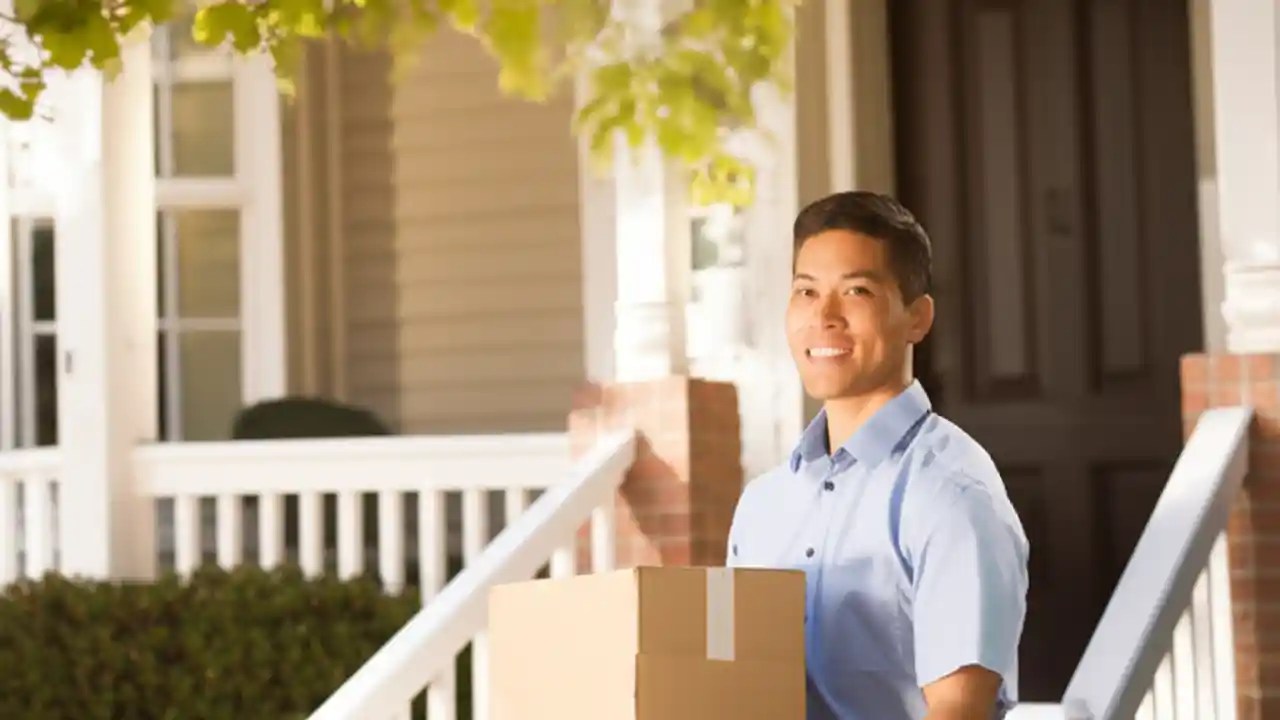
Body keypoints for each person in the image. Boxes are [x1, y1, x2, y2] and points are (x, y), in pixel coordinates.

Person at [727, 191, 1029, 719]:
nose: (825, 317)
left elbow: (960, 713)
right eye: (805, 291)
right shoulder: (761, 507)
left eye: (857, 291)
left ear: (917, 318)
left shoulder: (951, 494)